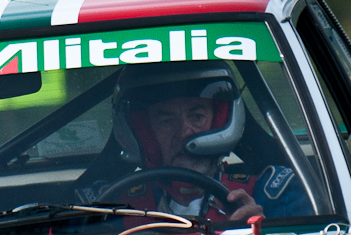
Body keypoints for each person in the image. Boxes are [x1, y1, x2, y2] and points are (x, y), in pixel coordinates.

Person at [107, 62, 313, 222]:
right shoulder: (112, 206)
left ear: (219, 122)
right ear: (145, 132)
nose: (184, 132)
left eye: (197, 116)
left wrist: (263, 232)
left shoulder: (273, 194)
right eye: (167, 120)